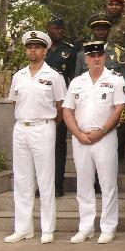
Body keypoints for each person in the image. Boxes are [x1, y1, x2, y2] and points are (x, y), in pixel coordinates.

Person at [5, 30, 67, 244]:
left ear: (45, 50)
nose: (33, 50)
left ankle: (47, 229)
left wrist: (48, 124)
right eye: (30, 47)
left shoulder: (54, 76)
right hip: (21, 127)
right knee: (22, 180)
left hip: (44, 127)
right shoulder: (18, 76)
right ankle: (22, 228)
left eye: (37, 47)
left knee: (45, 179)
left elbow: (61, 107)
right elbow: (15, 102)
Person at [62, 41, 125, 244]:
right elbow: (67, 110)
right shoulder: (77, 81)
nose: (96, 59)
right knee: (84, 185)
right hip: (81, 139)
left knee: (107, 184)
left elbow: (119, 109)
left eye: (99, 55)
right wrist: (78, 134)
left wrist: (103, 130)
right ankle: (86, 227)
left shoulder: (115, 80)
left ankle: (108, 228)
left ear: (104, 56)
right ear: (85, 59)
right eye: (91, 56)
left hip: (105, 138)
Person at [45, 16, 76, 198]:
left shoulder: (69, 51)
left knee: (58, 145)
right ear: (48, 28)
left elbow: (72, 79)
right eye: (55, 28)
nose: (59, 31)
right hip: (42, 103)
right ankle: (43, 184)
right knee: (41, 148)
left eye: (61, 28)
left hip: (60, 103)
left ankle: (57, 184)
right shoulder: (41, 49)